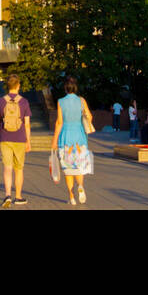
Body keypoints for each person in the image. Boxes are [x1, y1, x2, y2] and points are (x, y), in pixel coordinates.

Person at [54, 75, 95, 205]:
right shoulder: (81, 100)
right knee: (79, 166)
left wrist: (54, 140)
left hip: (66, 136)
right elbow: (89, 116)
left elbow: (59, 122)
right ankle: (80, 186)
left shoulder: (60, 101)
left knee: (68, 169)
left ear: (65, 88)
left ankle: (71, 197)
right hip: (80, 137)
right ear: (75, 88)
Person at [0, 73, 31, 206]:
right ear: (18, 86)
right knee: (18, 169)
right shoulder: (24, 101)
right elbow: (27, 124)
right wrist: (28, 141)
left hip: (5, 137)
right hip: (20, 138)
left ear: (7, 86)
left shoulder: (1, 101)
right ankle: (18, 197)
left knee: (7, 168)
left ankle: (7, 195)